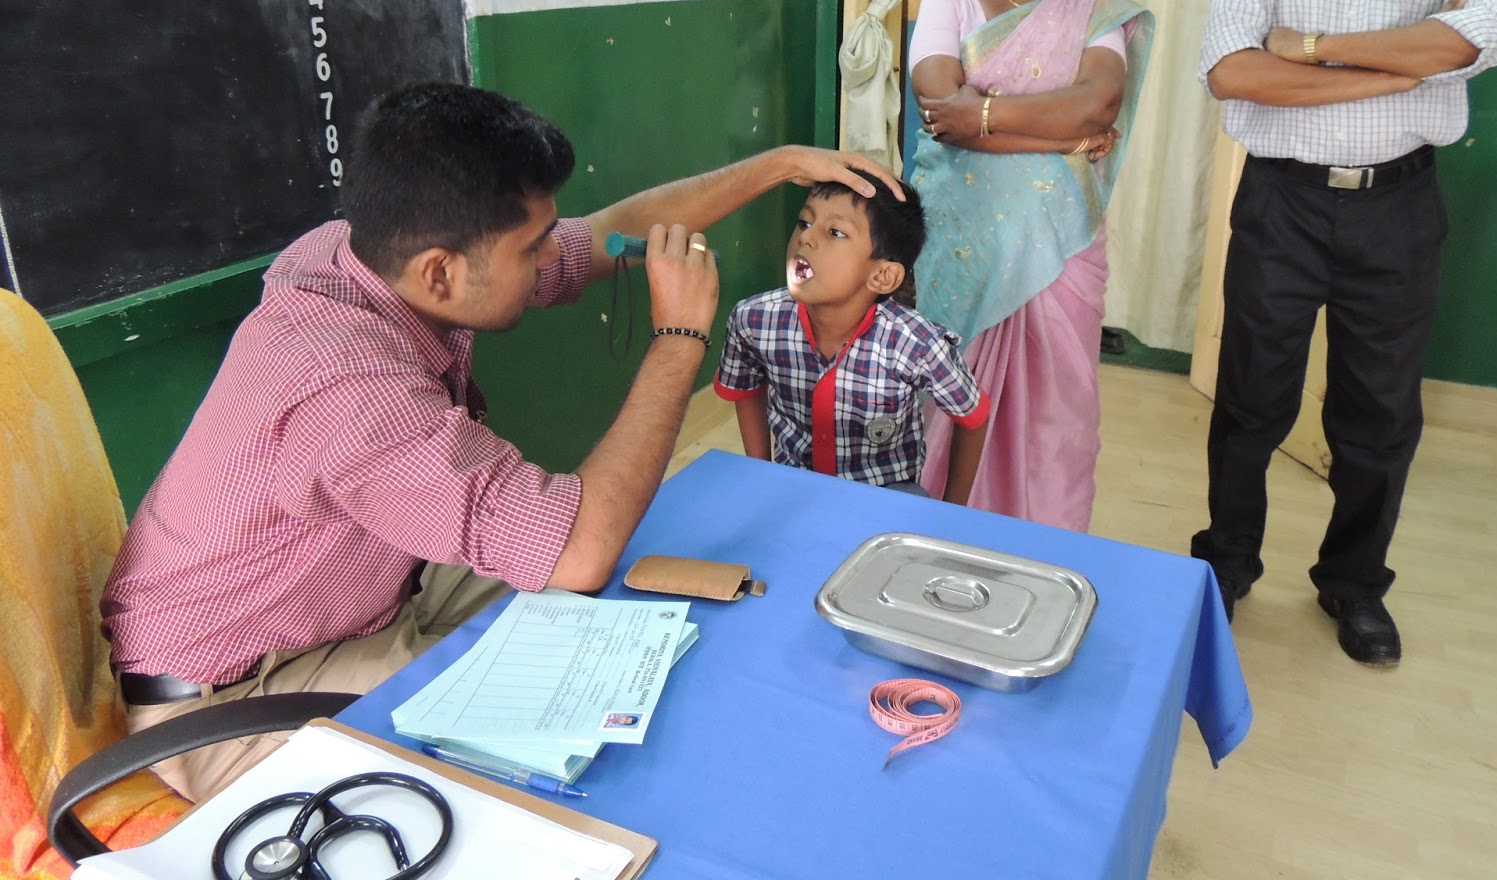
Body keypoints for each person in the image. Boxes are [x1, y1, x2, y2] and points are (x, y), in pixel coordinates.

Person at [99, 82, 902, 800]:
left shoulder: (359, 250)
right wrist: (681, 337)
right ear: (443, 273)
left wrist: (776, 165)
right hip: (235, 696)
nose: (558, 256)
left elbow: (606, 236)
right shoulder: (352, 394)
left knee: (620, 615)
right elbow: (579, 548)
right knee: (534, 760)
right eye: (535, 248)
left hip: (361, 596)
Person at [1189, 0, 1497, 666]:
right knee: (1251, 399)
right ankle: (1228, 562)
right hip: (1281, 204)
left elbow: (1474, 37)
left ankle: (1353, 584)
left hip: (1398, 207)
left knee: (1378, 412)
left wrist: (1315, 46)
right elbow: (1231, 73)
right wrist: (1392, 62)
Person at [909, 0, 1153, 531]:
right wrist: (1060, 136)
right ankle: (938, 531)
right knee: (946, 391)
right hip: (960, 235)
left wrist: (983, 114)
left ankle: (1046, 540)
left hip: (1062, 236)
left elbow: (1098, 103)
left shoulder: (1095, 9)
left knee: (1057, 404)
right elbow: (939, 106)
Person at [713, 170, 989, 499]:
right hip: (794, 487)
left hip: (888, 494)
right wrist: (763, 473)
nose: (806, 238)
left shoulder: (917, 343)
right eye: (804, 222)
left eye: (835, 232)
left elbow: (972, 417)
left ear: (883, 276)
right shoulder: (753, 320)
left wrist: (952, 509)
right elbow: (745, 390)